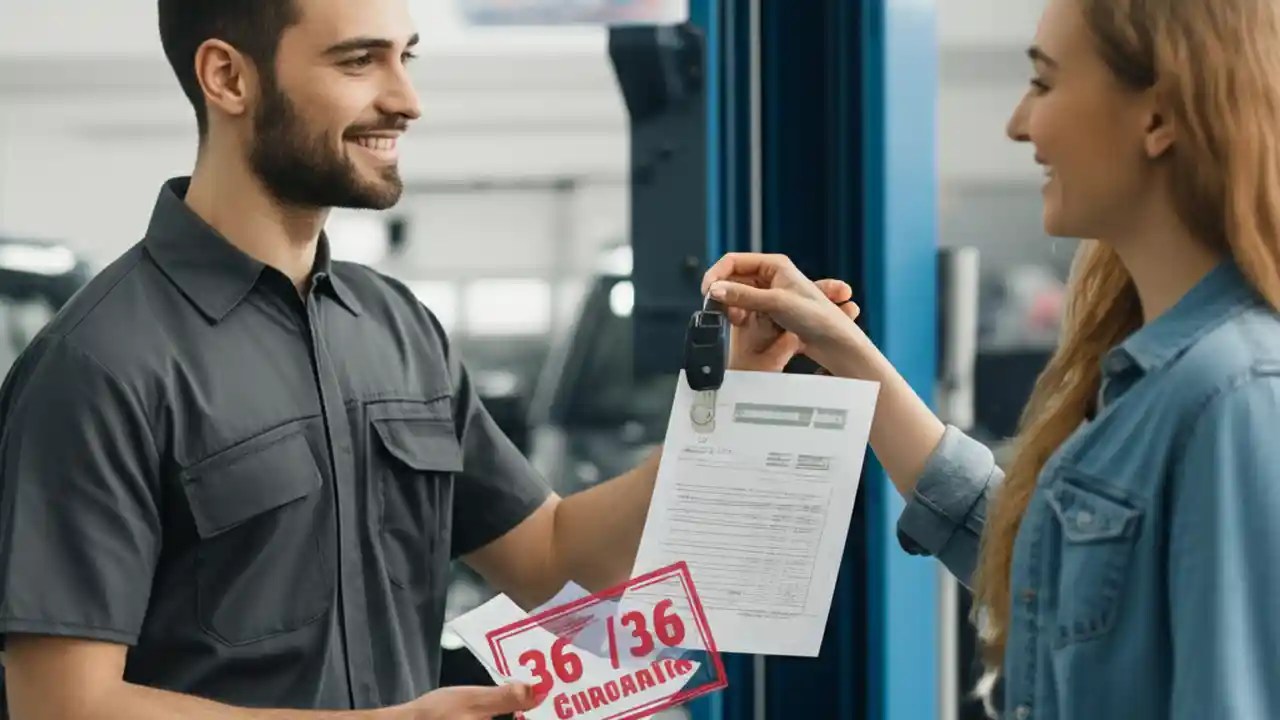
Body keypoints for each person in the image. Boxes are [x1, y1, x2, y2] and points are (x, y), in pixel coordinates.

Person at [0, 1, 843, 718]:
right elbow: (61, 702)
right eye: (359, 61)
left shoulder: (398, 327)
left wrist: (729, 403)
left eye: (405, 58)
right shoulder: (99, 364)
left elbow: (551, 552)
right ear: (227, 78)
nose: (405, 99)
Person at [706, 0, 1280, 718]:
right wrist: (841, 350)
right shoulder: (1169, 386)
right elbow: (1039, 566)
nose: (1019, 124)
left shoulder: (1234, 398)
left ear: (1159, 119)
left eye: (1043, 84)